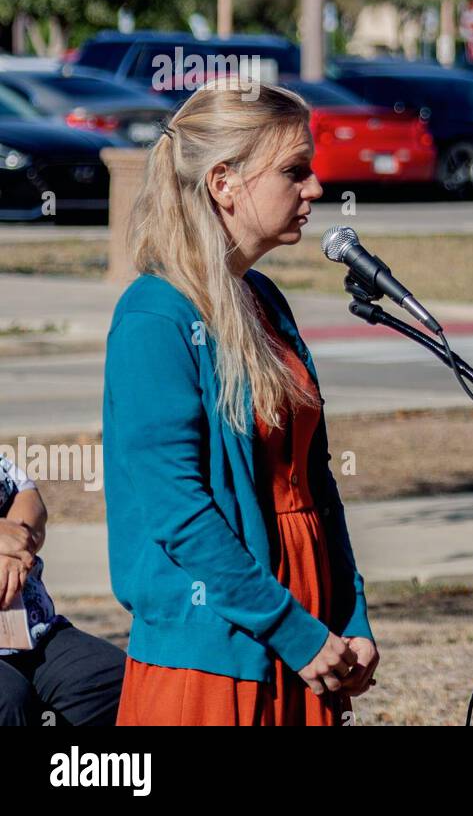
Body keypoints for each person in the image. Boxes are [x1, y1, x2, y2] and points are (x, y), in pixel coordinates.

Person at [104, 79, 379, 725]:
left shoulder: (264, 300)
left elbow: (316, 480)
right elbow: (180, 516)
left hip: (306, 629)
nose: (314, 189)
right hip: (218, 648)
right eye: (295, 171)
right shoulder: (154, 317)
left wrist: (349, 616)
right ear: (224, 182)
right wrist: (298, 632)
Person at [0, 455, 125, 725]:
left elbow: (26, 496)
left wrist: (13, 547)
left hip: (31, 633)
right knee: (8, 699)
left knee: (110, 676)